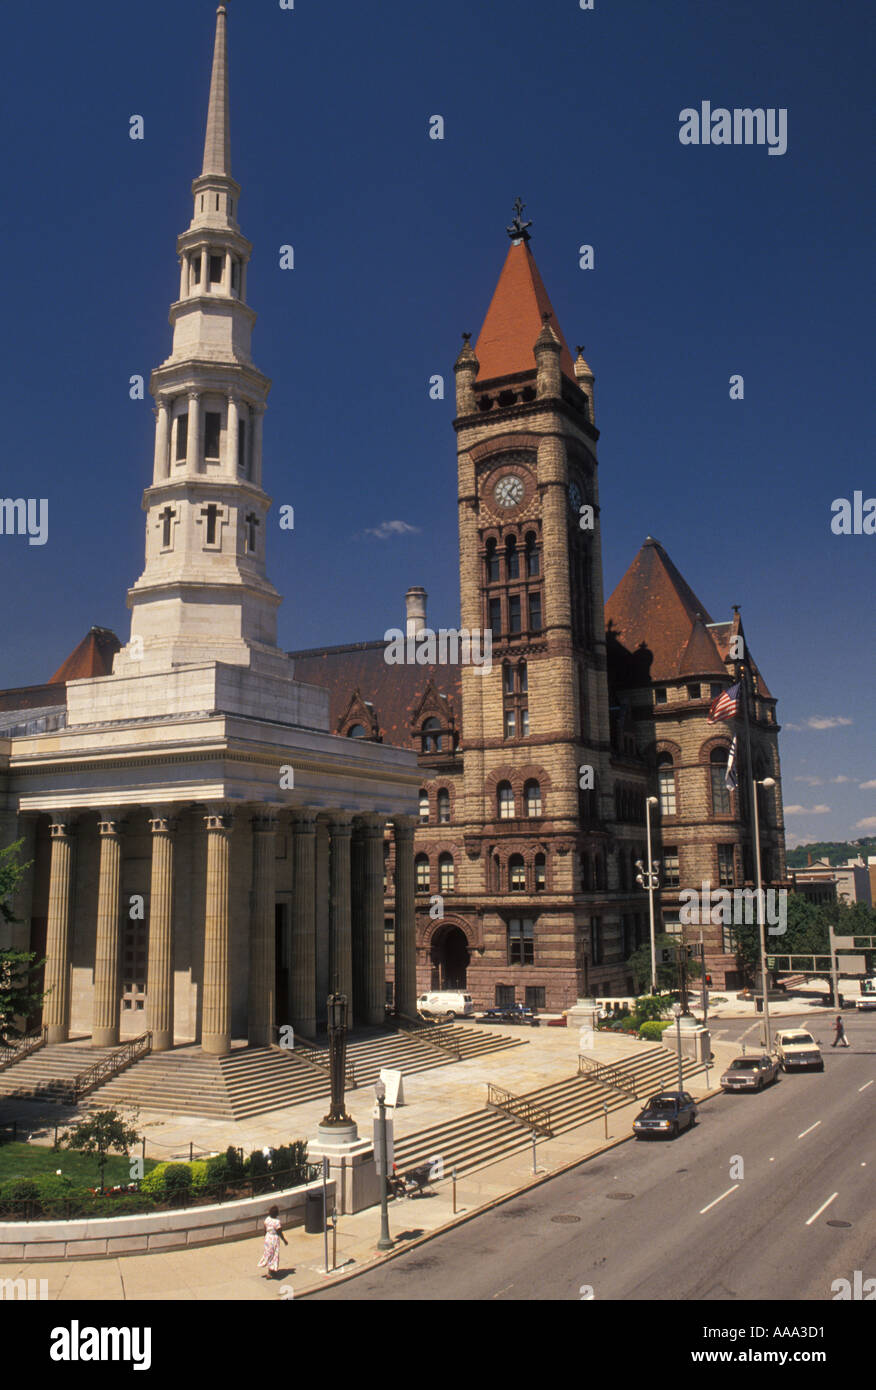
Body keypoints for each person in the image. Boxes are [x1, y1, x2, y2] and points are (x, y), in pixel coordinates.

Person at [258, 1204, 288, 1278]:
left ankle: (270, 1270)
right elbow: (279, 1232)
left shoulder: (267, 1219)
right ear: (276, 1213)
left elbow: (265, 1228)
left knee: (268, 1253)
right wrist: (284, 1240)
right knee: (274, 1255)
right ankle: (271, 1272)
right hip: (274, 1239)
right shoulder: (277, 1222)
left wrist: (265, 1236)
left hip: (268, 1238)